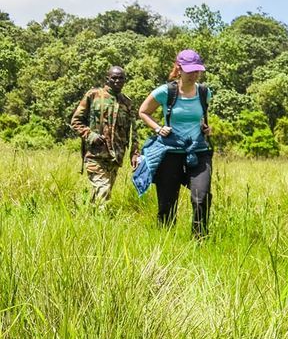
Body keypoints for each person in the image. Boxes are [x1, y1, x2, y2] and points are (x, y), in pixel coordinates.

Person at [137, 49, 213, 238]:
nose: (195, 74)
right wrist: (157, 128)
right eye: (190, 70)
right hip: (171, 152)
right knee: (167, 204)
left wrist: (205, 128)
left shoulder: (204, 92)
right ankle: (165, 241)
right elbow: (143, 112)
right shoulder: (166, 92)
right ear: (179, 69)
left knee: (201, 197)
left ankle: (200, 240)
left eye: (197, 70)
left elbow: (200, 118)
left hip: (198, 151)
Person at [70, 66, 140, 206]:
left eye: (121, 78)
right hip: (95, 155)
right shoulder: (93, 95)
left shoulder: (127, 102)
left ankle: (88, 219)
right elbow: (75, 121)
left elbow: (134, 131)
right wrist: (90, 135)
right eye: (114, 78)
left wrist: (135, 152)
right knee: (103, 191)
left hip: (115, 157)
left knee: (101, 193)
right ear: (107, 79)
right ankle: (103, 224)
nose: (117, 81)